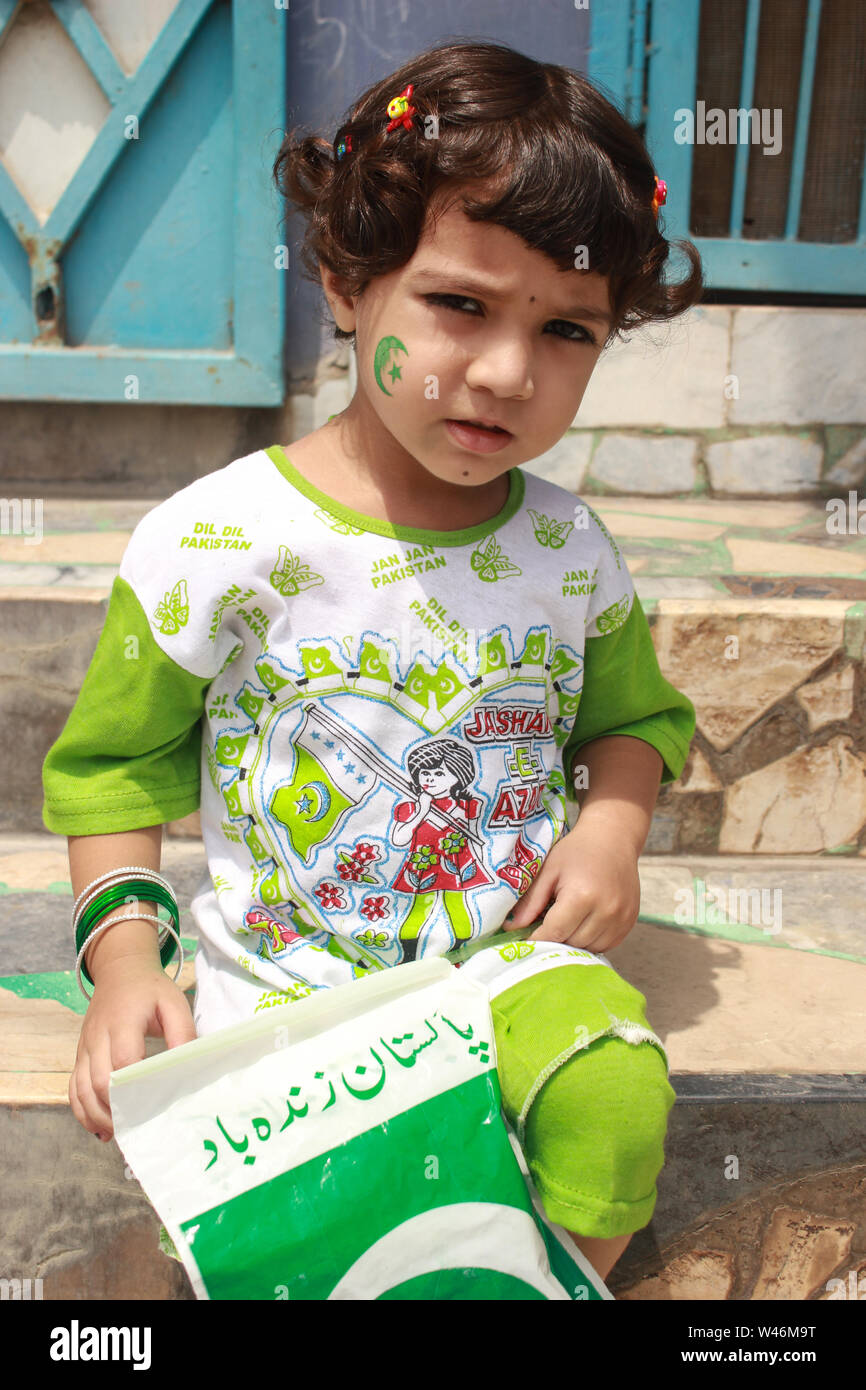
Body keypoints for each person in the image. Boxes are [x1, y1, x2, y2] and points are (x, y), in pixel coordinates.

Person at [42, 39, 703, 1288]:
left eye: (566, 329)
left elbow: (637, 723)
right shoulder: (214, 540)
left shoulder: (566, 551)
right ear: (348, 281)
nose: (507, 373)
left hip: (507, 972)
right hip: (280, 995)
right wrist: (129, 957)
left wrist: (610, 828)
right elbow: (115, 770)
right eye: (459, 304)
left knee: (617, 1090)